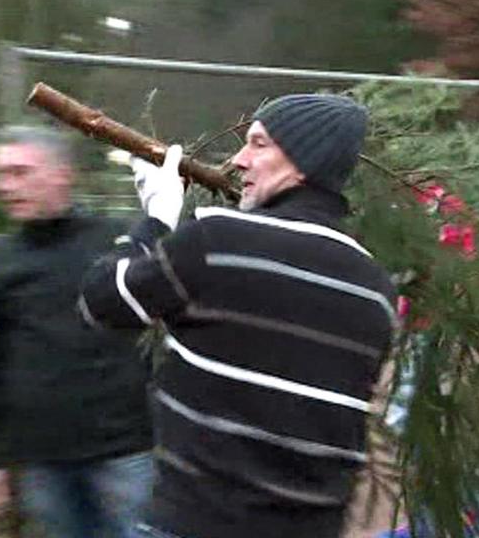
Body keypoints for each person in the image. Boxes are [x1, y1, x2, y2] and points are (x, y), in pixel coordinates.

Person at [78, 94, 398, 538]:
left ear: (305, 162)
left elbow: (101, 302)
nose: (239, 160)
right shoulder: (376, 288)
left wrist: (156, 219)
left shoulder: (218, 240)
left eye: (259, 144)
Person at [0, 126, 155, 538]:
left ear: (62, 174)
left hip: (124, 452)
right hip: (43, 459)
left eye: (19, 172)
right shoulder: (0, 261)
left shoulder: (116, 243)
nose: (4, 186)